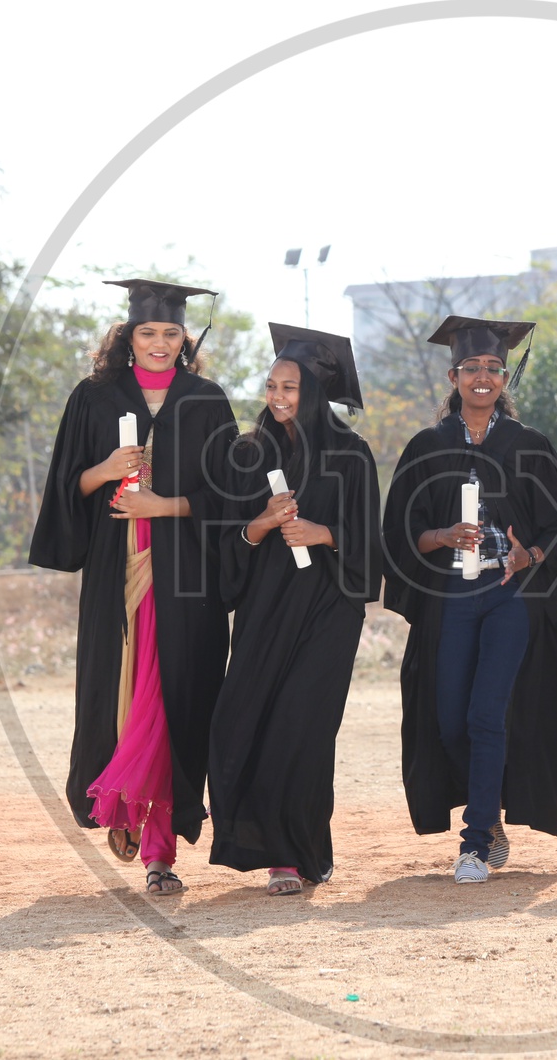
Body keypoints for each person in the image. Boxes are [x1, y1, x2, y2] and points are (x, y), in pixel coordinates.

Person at [29, 278, 238, 896]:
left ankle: (159, 849)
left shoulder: (206, 401)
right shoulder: (93, 398)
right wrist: (105, 471)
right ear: (128, 335)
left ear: (185, 339)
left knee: (175, 705)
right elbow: (66, 486)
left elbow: (229, 498)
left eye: (171, 333)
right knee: (120, 700)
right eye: (148, 332)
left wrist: (163, 505)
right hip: (114, 579)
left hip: (184, 582)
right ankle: (121, 806)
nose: (159, 344)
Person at [382, 316, 557, 884]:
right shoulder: (428, 445)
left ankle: (474, 842)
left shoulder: (530, 445)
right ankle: (487, 811)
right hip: (449, 596)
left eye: (493, 368)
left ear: (503, 378)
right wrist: (443, 537)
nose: (483, 377)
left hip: (507, 595)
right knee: (449, 721)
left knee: (486, 714)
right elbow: (402, 530)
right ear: (453, 375)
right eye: (471, 368)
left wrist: (527, 557)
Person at [208, 323, 382, 895]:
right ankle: (266, 844)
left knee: (300, 730)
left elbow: (370, 545)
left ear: (315, 393)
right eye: (272, 385)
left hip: (328, 613)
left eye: (291, 388)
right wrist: (259, 525)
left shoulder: (352, 456)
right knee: (246, 720)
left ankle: (290, 855)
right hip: (263, 613)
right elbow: (226, 544)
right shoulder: (247, 453)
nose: (278, 397)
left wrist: (323, 533)